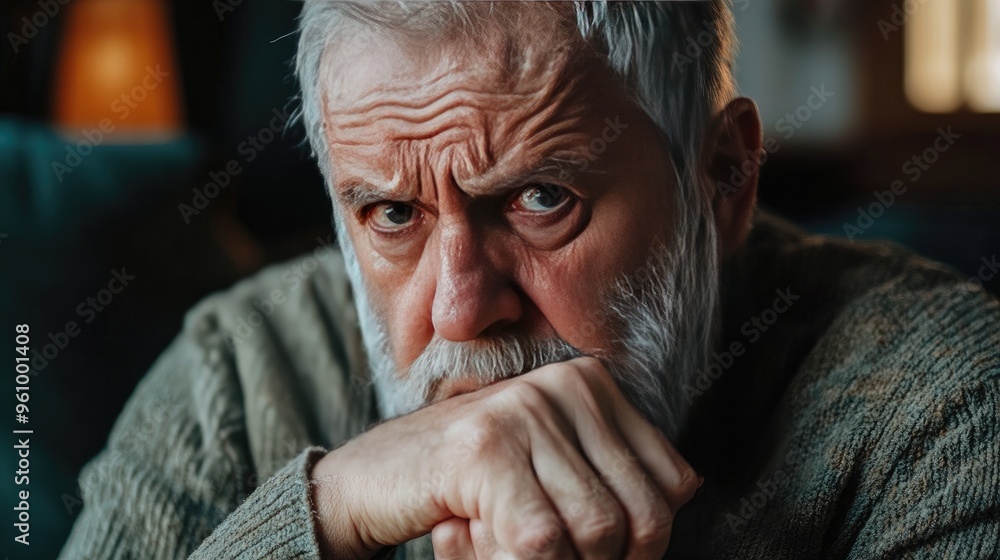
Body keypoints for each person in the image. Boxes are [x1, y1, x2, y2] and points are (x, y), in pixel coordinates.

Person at [60, 1, 1000, 559]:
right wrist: (325, 512)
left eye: (542, 199)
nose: (460, 310)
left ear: (722, 181)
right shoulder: (235, 376)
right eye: (392, 214)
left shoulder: (942, 409)